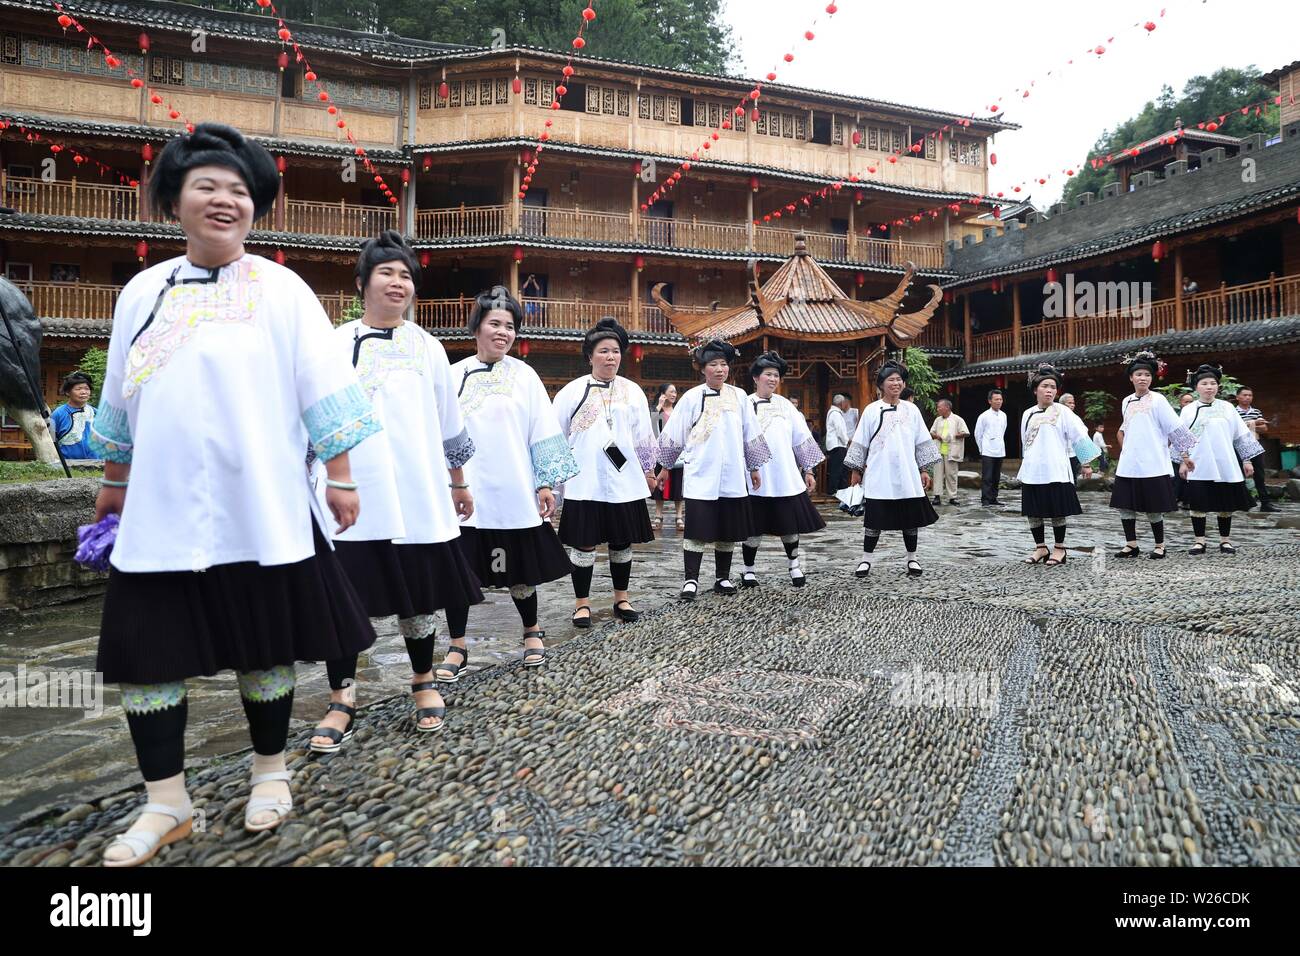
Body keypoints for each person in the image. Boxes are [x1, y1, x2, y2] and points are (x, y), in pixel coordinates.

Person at [88, 123, 379, 865]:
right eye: (207, 187)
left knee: (265, 646)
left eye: (239, 191)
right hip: (159, 508)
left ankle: (270, 772)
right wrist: (112, 486)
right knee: (146, 656)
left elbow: (324, 389)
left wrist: (340, 477)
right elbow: (121, 402)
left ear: (256, 208)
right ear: (174, 202)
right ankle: (167, 802)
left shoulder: (282, 291)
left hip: (262, 504)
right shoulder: (141, 293)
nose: (224, 201)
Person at [309, 232, 483, 751]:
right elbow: (312, 418)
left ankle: (423, 680)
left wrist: (459, 483)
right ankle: (342, 695)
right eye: (386, 271)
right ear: (363, 282)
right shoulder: (335, 345)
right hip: (349, 496)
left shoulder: (427, 347)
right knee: (345, 599)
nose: (397, 282)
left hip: (415, 491)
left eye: (406, 274)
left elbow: (448, 423)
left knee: (417, 597)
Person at [447, 287, 579, 671]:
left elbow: (541, 430)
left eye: (510, 325)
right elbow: (441, 431)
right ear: (476, 328)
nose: (503, 332)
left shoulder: (525, 376)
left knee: (519, 570)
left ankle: (532, 631)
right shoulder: (454, 375)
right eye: (494, 323)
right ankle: (457, 644)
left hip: (514, 489)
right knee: (460, 570)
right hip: (466, 491)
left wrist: (544, 483)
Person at [552, 318, 657, 627]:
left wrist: (650, 470)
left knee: (621, 541)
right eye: (603, 351)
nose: (611, 357)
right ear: (590, 356)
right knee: (584, 543)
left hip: (625, 481)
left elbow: (644, 436)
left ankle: (621, 598)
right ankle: (582, 604)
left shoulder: (633, 391)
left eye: (615, 351)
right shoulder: (572, 392)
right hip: (586, 480)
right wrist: (551, 483)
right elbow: (555, 436)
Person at [658, 339, 771, 600]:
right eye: (713, 365)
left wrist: (753, 467)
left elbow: (749, 432)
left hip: (732, 473)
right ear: (702, 368)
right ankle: (691, 580)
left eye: (723, 364)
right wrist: (664, 466)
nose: (719, 369)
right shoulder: (691, 398)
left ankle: (722, 577)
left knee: (728, 528)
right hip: (701, 473)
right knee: (697, 528)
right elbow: (674, 434)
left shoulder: (739, 396)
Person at [844, 359, 940, 578]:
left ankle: (912, 559)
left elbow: (921, 441)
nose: (896, 384)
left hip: (907, 473)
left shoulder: (912, 410)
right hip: (880, 473)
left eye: (899, 380)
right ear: (881, 385)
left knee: (910, 520)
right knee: (874, 520)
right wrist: (856, 471)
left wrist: (924, 469)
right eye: (891, 380)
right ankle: (866, 560)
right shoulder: (871, 410)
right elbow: (861, 442)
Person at [740, 351, 825, 588]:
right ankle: (748, 570)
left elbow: (801, 438)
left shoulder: (786, 405)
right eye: (767, 374)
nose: (772, 379)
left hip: (785, 475)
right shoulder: (744, 404)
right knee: (754, 527)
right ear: (756, 378)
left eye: (776, 375)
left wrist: (808, 470)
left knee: (790, 525)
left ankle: (794, 565)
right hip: (754, 477)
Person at [1108, 351, 1196, 560]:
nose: (1143, 378)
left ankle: (1159, 545)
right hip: (1130, 463)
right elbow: (1125, 428)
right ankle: (1131, 544)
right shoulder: (1126, 401)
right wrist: (1126, 448)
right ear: (1131, 377)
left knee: (1154, 506)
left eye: (1147, 375)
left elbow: (1174, 428)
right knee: (1125, 505)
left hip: (1153, 461)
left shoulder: (1158, 400)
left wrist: (1185, 457)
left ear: (1151, 378)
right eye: (1138, 374)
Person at [1017, 365, 1100, 567]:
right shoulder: (1028, 413)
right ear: (1035, 389)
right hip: (1033, 470)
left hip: (1056, 468)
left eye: (1053, 387)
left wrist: (1086, 463)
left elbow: (1079, 434)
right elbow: (1024, 440)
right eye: (1045, 386)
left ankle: (1060, 548)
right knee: (1033, 510)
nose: (1049, 390)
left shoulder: (1063, 412)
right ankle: (1040, 547)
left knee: (1057, 510)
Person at [1179, 364, 1263, 555]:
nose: (1209, 387)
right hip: (1198, 463)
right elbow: (1180, 436)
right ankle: (1199, 541)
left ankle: (1225, 541)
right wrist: (1184, 460)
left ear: (1218, 387)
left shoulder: (1227, 408)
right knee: (1198, 503)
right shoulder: (1189, 410)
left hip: (1225, 461)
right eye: (1204, 383)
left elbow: (1240, 435)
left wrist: (1247, 460)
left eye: (1213, 383)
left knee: (1225, 503)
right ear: (1196, 387)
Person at [1234, 386, 1278, 512]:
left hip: (1254, 445)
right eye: (1244, 395)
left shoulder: (1256, 411)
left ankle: (1265, 504)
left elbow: (1264, 428)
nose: (1248, 397)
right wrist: (1254, 423)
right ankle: (1241, 502)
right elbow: (1234, 429)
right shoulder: (1233, 412)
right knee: (1239, 474)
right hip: (1238, 445)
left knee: (1259, 475)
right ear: (1237, 397)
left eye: (1250, 395)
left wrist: (1249, 424)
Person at [649, 383, 686, 530]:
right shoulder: (657, 411)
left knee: (678, 484)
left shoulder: (678, 412)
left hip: (677, 452)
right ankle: (658, 515)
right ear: (663, 394)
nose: (674, 394)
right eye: (671, 392)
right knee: (660, 485)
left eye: (675, 392)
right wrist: (659, 405)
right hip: (660, 452)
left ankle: (679, 516)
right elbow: (651, 427)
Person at [929, 398, 969, 505]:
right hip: (938, 450)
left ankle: (952, 497)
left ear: (947, 407)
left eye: (939, 407)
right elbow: (931, 432)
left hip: (952, 451)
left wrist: (954, 436)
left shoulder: (957, 419)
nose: (938, 409)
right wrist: (938, 436)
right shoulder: (937, 420)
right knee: (937, 474)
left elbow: (966, 433)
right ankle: (937, 496)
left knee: (951, 474)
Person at [50, 370, 98, 460]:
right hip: (68, 465)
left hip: (96, 463)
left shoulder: (96, 413)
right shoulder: (58, 414)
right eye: (78, 389)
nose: (83, 392)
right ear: (68, 392)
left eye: (87, 389)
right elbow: (51, 440)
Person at [974, 389, 1007, 507]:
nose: (999, 402)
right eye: (996, 399)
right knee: (987, 476)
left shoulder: (1003, 415)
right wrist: (982, 449)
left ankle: (994, 498)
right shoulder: (984, 416)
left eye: (1000, 399)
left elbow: (1003, 431)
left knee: (996, 477)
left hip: (999, 449)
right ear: (989, 401)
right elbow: (978, 434)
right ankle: (986, 499)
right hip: (988, 450)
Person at [1171, 391, 1195, 507]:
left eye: (1191, 401)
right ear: (1181, 403)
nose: (1189, 404)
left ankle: (1187, 500)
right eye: (1186, 401)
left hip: (1192, 449)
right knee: (1176, 477)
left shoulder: (1197, 414)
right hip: (1176, 450)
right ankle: (1173, 500)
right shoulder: (1175, 415)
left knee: (1189, 476)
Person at [824, 394, 851, 496]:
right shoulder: (835, 413)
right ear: (841, 403)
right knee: (837, 469)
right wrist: (847, 441)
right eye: (845, 403)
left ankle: (840, 490)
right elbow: (840, 431)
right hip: (838, 445)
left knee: (840, 468)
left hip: (838, 445)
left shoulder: (835, 413)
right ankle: (833, 490)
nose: (845, 405)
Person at [1059, 392, 1082, 481]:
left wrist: (1085, 463)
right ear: (1062, 404)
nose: (1072, 405)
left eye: (1073, 403)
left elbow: (1081, 437)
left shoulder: (1076, 418)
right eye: (1069, 403)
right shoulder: (1055, 417)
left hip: (1073, 453)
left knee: (1072, 478)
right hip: (1060, 454)